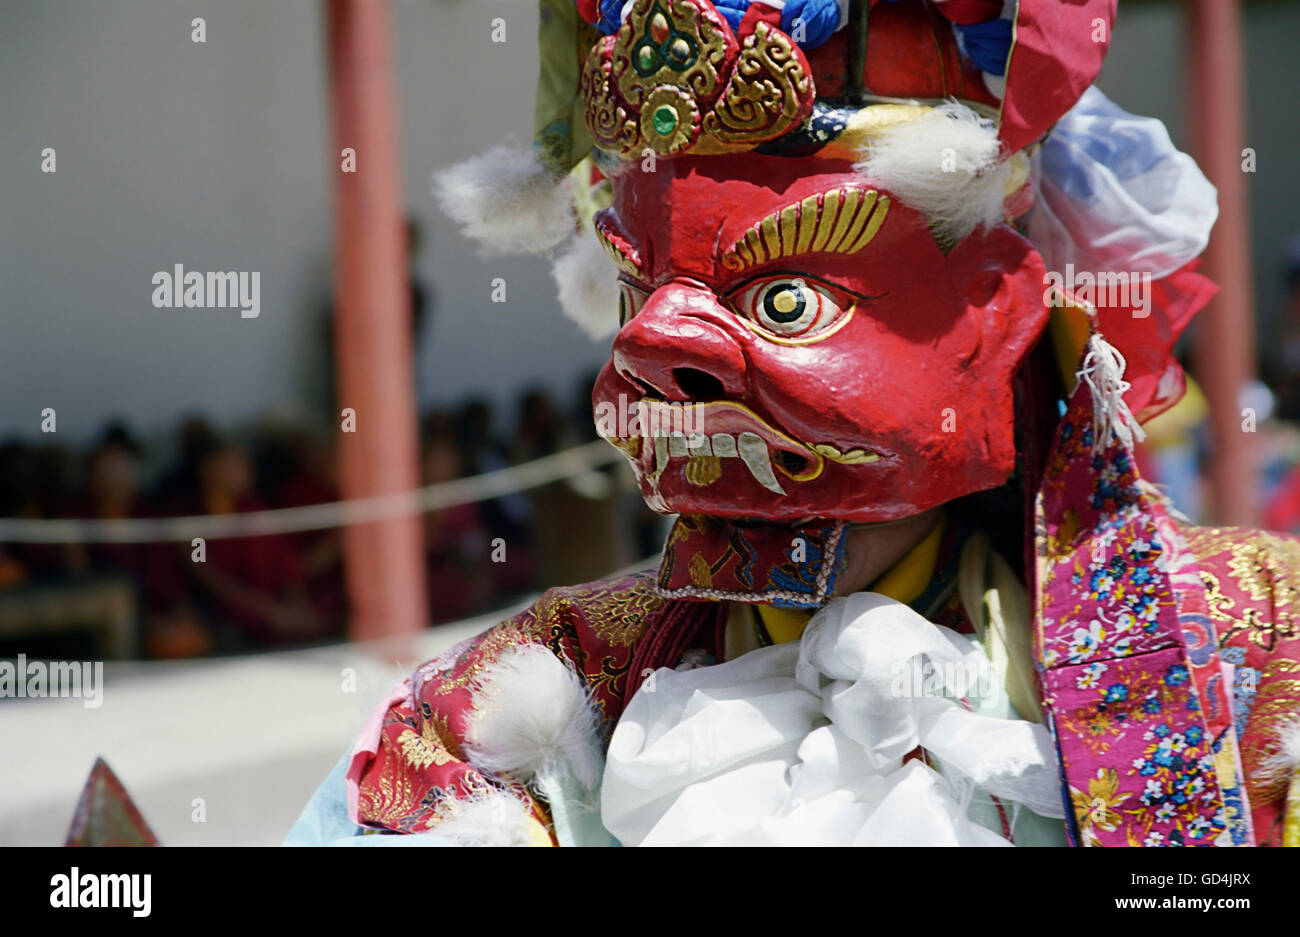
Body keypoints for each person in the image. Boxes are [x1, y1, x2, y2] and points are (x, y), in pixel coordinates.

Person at [290, 0, 1300, 847]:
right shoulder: (517, 699)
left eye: (785, 301)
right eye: (640, 286)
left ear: (993, 316)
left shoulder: (1258, 656)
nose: (654, 365)